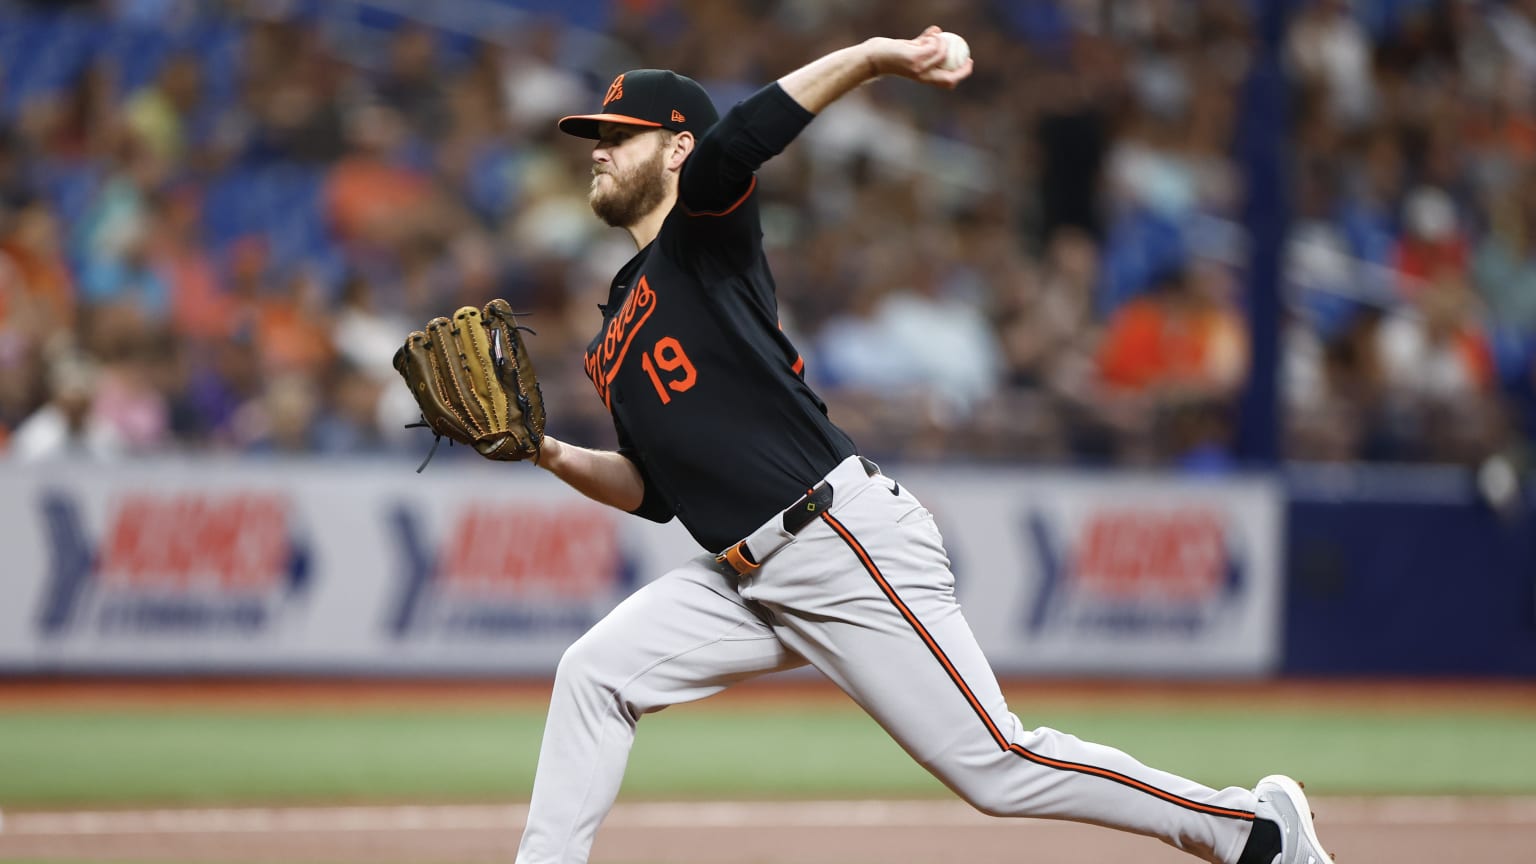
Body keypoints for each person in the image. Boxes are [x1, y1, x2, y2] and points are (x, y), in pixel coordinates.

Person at [517, 27, 1332, 864]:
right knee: (595, 673)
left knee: (998, 766)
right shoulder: (613, 328)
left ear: (679, 146)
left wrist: (874, 56)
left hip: (833, 538)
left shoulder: (703, 237)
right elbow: (654, 491)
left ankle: (1253, 831)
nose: (600, 151)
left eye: (619, 135)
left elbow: (744, 137)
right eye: (597, 139)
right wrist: (545, 451)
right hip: (741, 574)